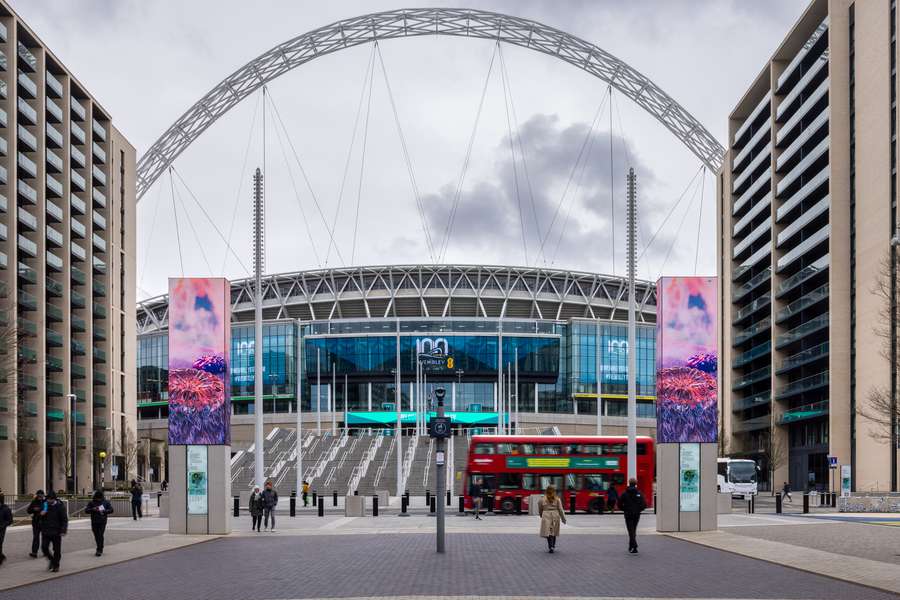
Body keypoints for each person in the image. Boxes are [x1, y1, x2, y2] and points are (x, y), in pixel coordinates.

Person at [40, 491, 67, 572]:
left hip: (56, 531)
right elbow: (39, 517)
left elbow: (64, 519)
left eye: (50, 500)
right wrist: (41, 514)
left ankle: (56, 565)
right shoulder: (45, 505)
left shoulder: (60, 506)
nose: (48, 501)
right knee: (44, 547)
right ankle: (51, 560)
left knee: (57, 550)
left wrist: (63, 530)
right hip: (46, 531)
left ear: (54, 499)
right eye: (47, 499)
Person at [618, 478, 646, 554]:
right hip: (636, 515)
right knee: (633, 530)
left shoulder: (624, 493)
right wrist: (639, 510)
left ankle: (634, 546)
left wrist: (624, 509)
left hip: (628, 514)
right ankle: (632, 546)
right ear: (636, 483)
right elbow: (644, 504)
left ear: (629, 483)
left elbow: (619, 504)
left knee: (631, 531)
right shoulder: (639, 493)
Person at [538, 485, 566, 553]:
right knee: (553, 531)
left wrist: (541, 515)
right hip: (555, 515)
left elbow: (540, 508)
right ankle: (553, 546)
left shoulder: (542, 499)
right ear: (554, 491)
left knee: (548, 531)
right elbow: (560, 509)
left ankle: (550, 546)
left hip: (546, 515)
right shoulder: (557, 499)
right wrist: (563, 518)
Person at [85, 489, 113, 556]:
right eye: (97, 499)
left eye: (99, 499)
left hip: (102, 521)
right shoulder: (92, 503)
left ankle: (99, 549)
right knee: (96, 535)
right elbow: (86, 510)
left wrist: (104, 511)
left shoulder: (105, 502)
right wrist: (93, 509)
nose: (98, 500)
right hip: (94, 521)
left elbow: (111, 510)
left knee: (100, 534)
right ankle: (100, 546)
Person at [26, 489, 46, 558]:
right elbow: (28, 510)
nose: (40, 497)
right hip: (36, 522)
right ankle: (34, 552)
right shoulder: (34, 502)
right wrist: (34, 509)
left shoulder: (45, 502)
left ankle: (45, 551)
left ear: (43, 495)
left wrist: (42, 510)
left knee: (45, 538)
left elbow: (47, 510)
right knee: (36, 537)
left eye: (41, 496)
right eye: (39, 496)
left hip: (44, 522)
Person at [0, 494, 12, 566]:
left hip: (1, 529)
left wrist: (3, 525)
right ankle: (1, 556)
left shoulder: (6, 509)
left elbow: (10, 520)